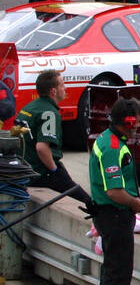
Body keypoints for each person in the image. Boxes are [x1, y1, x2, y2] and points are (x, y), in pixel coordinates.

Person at [87, 97, 140, 285]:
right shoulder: (114, 147)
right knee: (119, 270)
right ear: (129, 121)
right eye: (139, 121)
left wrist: (136, 192)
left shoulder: (106, 139)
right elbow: (113, 191)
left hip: (108, 214)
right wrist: (135, 202)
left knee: (111, 268)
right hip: (114, 215)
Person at [14, 69, 92, 206]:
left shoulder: (30, 107)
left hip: (23, 168)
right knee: (86, 200)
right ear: (53, 91)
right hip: (40, 170)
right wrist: (54, 170)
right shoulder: (49, 113)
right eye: (62, 85)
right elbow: (42, 148)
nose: (65, 88)